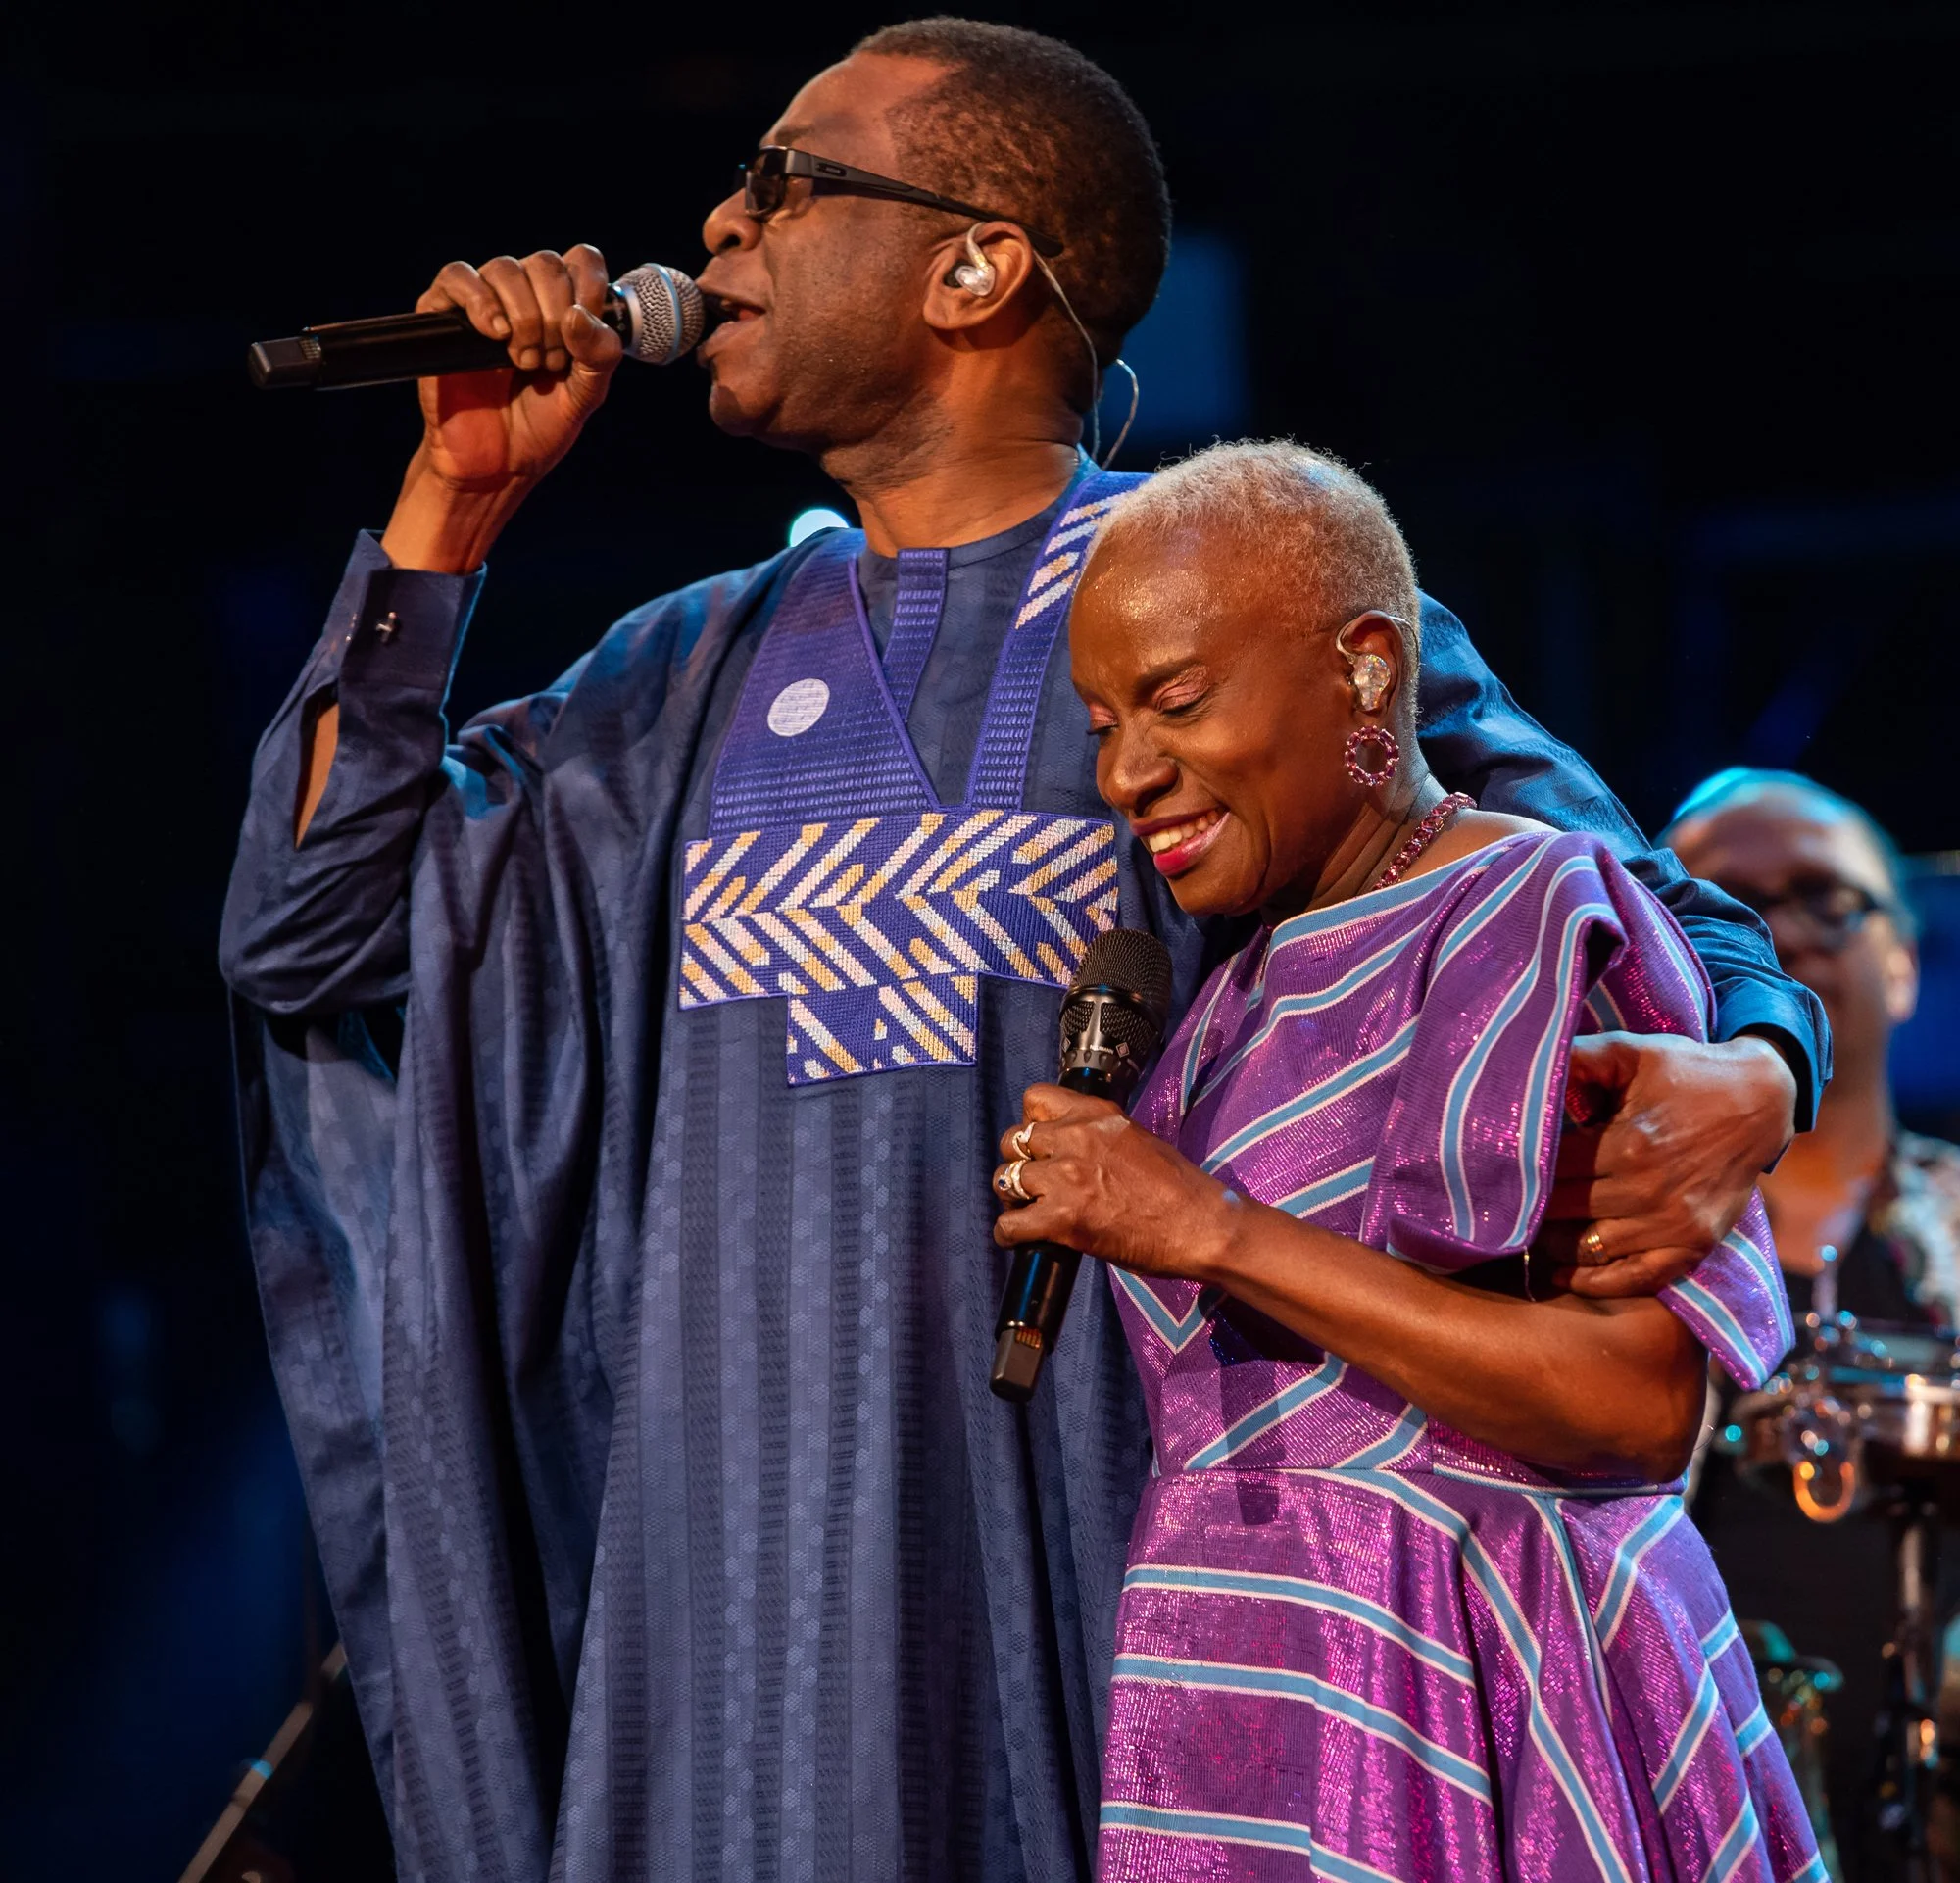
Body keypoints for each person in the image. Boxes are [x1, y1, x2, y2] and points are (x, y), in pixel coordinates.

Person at [218, 22, 1827, 1881]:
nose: (715, 226)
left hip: (1155, 1602)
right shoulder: (670, 681)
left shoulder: (1246, 601)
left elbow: (1647, 902)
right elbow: (309, 927)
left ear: (976, 263)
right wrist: (455, 518)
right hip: (739, 1651)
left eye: (781, 181)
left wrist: (1767, 1062)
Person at [993, 441, 1820, 1880]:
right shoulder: (1228, 999)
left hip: (1495, 1681)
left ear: (1370, 669)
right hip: (1258, 1700)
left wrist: (1216, 1231)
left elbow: (1633, 1410)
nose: (1126, 770)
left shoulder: (1533, 913)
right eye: (1104, 719)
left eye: (1176, 701)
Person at [1669, 769, 1960, 1874]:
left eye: (1823, 900)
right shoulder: (1578, 1246)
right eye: (1724, 908)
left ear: (1900, 965)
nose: (1779, 935)